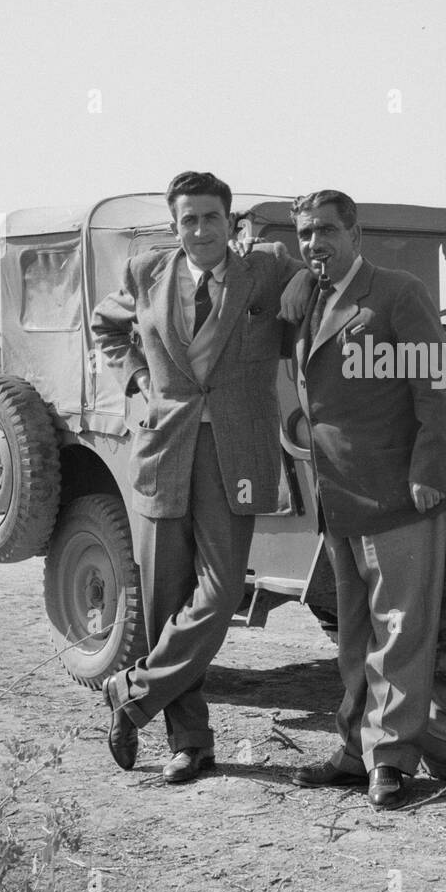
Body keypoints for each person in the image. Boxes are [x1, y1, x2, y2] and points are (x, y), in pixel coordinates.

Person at [91, 171, 307, 783]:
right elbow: (107, 328)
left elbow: (306, 275)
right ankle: (190, 743)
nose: (201, 230)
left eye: (212, 218)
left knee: (220, 592)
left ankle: (129, 693)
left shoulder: (260, 269)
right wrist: (137, 380)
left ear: (230, 224)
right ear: (174, 225)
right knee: (165, 601)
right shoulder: (145, 274)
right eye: (189, 219)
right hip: (165, 450)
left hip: (236, 453)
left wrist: (298, 285)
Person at [288, 190, 446, 809]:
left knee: (401, 629)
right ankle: (352, 749)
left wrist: (430, 468)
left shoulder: (396, 293)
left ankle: (390, 761)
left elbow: (438, 386)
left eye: (327, 231)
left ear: (355, 234)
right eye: (305, 234)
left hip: (397, 490)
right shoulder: (308, 298)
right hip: (336, 494)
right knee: (354, 632)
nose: (315, 244)